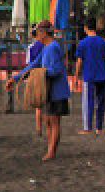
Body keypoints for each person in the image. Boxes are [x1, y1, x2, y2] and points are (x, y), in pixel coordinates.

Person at [8, 21, 70, 161]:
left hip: (57, 90)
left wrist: (40, 73)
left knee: (54, 121)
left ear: (43, 33)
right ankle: (50, 148)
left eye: (37, 33)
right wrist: (16, 78)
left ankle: (51, 151)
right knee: (47, 120)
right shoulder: (46, 47)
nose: (36, 36)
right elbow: (34, 64)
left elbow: (56, 70)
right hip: (48, 90)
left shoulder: (53, 47)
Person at [73, 20, 105, 135]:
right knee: (101, 103)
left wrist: (76, 76)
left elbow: (79, 62)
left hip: (89, 76)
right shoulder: (102, 41)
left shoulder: (83, 43)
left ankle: (88, 127)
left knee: (88, 102)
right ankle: (99, 128)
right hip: (102, 75)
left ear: (86, 28)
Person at [26, 27, 46, 136]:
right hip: (44, 73)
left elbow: (29, 62)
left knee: (38, 104)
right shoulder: (46, 46)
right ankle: (47, 126)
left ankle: (38, 127)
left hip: (35, 74)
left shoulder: (31, 47)